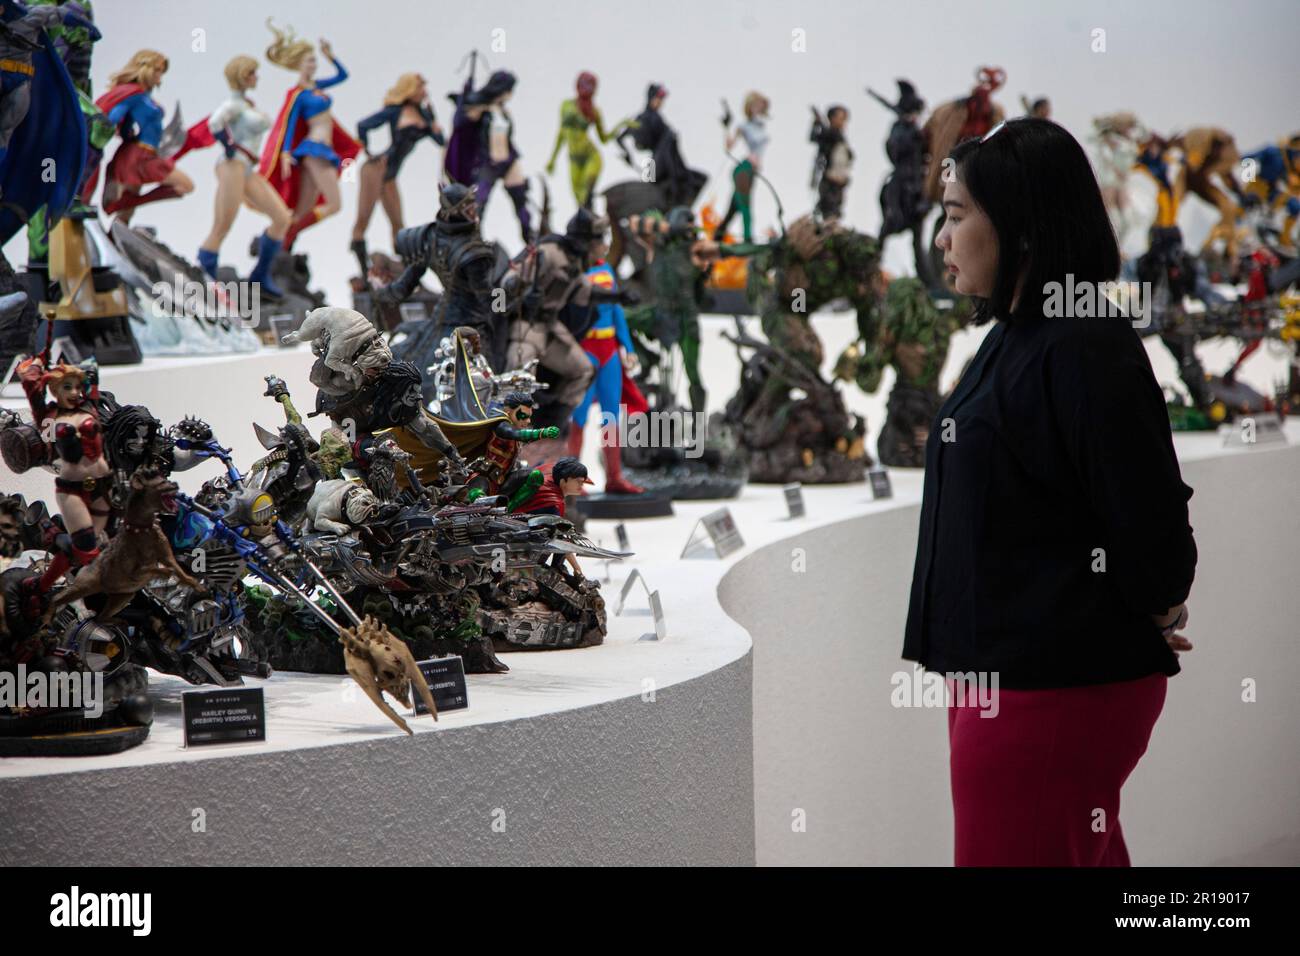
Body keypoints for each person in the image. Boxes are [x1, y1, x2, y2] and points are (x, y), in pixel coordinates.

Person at [903, 117, 1197, 867]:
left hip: (1052, 693)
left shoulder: (1084, 345)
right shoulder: (1015, 333)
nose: (941, 238)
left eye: (957, 215)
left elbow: (1152, 527)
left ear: (1023, 224)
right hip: (1009, 680)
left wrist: (1146, 609)